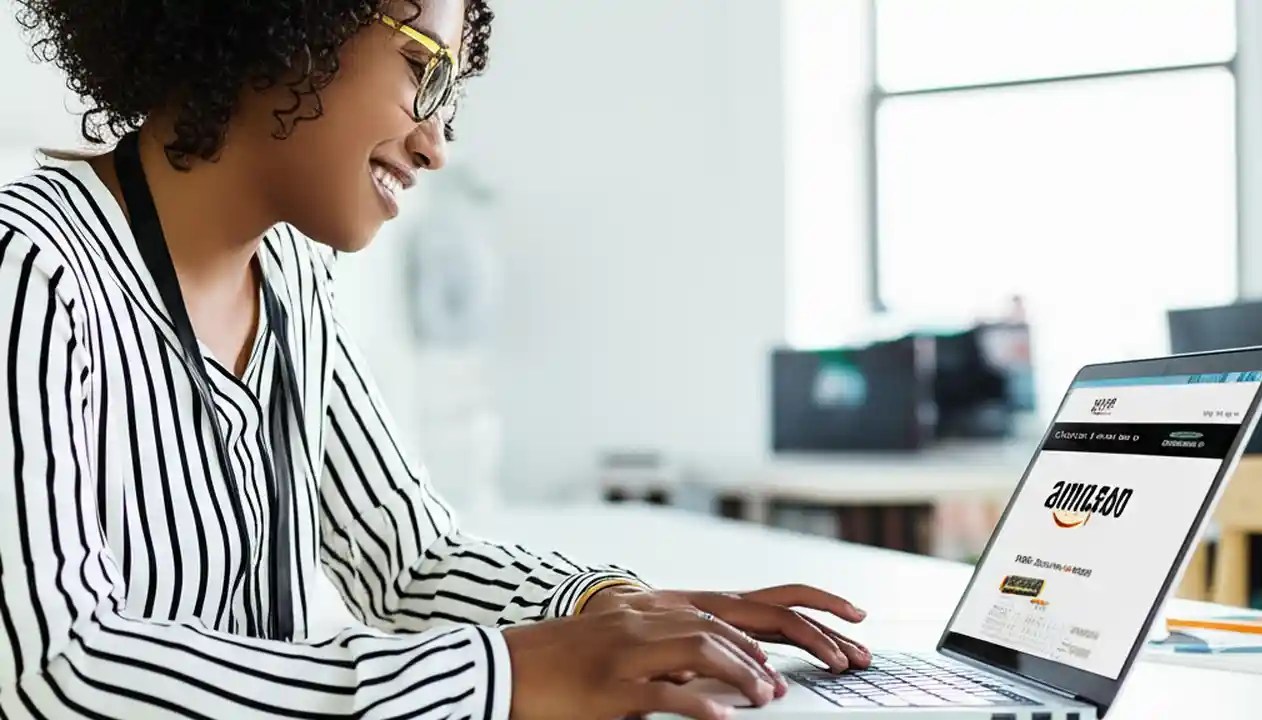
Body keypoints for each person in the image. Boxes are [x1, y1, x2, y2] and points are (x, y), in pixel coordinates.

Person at [0, 1, 871, 718]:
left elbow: (407, 559)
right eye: (425, 72)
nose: (435, 144)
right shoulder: (29, 266)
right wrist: (509, 674)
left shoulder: (296, 283)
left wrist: (612, 609)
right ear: (286, 24)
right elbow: (58, 669)